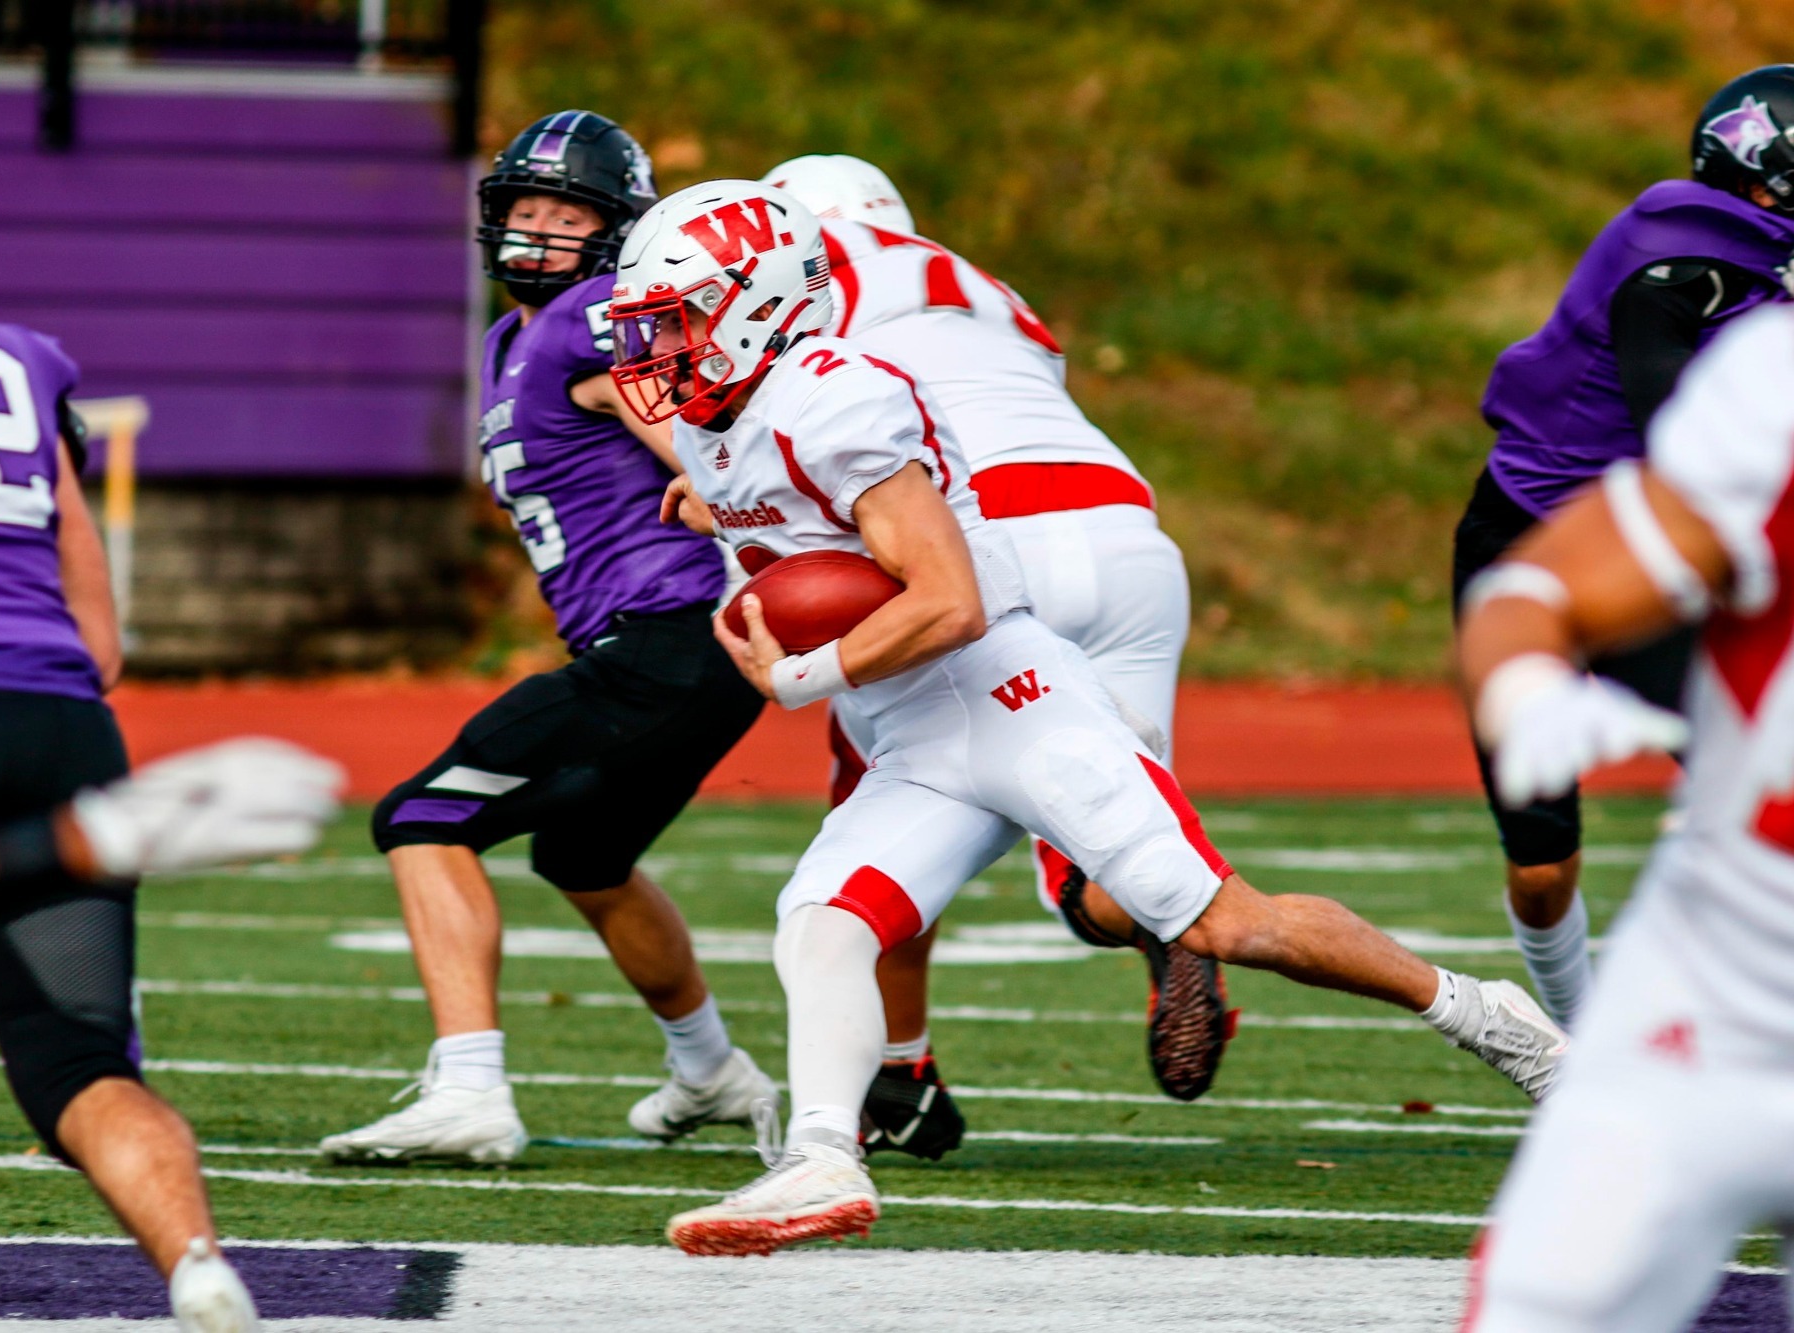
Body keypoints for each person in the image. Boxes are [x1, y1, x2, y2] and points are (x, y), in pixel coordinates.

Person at [609, 179, 1570, 1257]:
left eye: (674, 319)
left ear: (756, 305)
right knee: (820, 916)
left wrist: (803, 672)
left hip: (1009, 695)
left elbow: (949, 598)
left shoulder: (835, 394)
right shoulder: (715, 417)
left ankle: (1485, 1015)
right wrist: (724, 510)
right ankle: (821, 1160)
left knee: (1225, 924)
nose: (654, 350)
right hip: (917, 738)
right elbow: (753, 492)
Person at [0, 224, 344, 1333]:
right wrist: (80, 837)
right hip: (49, 720)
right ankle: (199, 1268)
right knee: (76, 1061)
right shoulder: (9, 372)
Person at [320, 111, 773, 1167]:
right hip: (655, 651)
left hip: (668, 638)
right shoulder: (507, 339)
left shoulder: (598, 318)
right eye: (522, 207)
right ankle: (709, 1070)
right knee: (586, 854)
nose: (536, 227)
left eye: (564, 212)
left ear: (612, 230)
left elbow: (708, 445)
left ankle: (470, 1086)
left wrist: (728, 503)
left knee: (420, 816)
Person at [762, 154, 1212, 1158]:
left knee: (878, 805)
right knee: (1118, 839)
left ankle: (898, 1070)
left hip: (984, 548)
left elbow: (835, 454)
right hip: (1127, 536)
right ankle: (1166, 918)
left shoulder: (795, 280)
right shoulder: (988, 291)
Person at [1458, 298, 1794, 1331]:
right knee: (1541, 1305)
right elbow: (1538, 589)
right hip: (1719, 989)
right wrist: (1526, 690)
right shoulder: (1774, 386)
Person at [1457, 65, 1794, 1028]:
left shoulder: (1767, 249)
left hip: (1660, 542)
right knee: (1541, 859)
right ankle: (1572, 1038)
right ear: (1761, 173)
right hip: (1533, 545)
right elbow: (1674, 424)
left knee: (1758, 755)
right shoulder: (1679, 250)